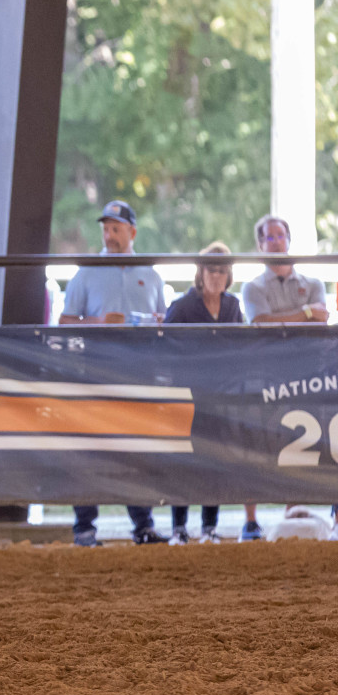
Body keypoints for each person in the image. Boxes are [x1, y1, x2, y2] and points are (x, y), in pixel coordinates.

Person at [58, 200, 169, 546]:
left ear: (132, 232)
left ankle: (143, 524)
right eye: (105, 229)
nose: (109, 235)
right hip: (95, 373)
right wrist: (100, 322)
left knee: (136, 448)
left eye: (116, 229)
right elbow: (65, 321)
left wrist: (155, 324)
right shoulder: (86, 272)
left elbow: (161, 319)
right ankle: (85, 527)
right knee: (88, 448)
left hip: (137, 373)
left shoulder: (150, 275)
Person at [239, 215, 330, 542]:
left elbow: (322, 321)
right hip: (266, 375)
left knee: (302, 440)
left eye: (281, 235)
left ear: (289, 240)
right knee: (257, 441)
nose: (276, 241)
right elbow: (261, 322)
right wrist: (305, 313)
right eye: (269, 237)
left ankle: (294, 511)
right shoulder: (252, 287)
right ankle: (251, 520)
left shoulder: (313, 283)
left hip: (306, 376)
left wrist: (294, 320)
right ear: (261, 245)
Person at [163, 241, 243, 544]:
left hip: (219, 396)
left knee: (215, 459)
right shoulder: (182, 307)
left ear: (228, 274)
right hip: (187, 394)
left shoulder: (233, 306)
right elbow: (166, 348)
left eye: (222, 270)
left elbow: (242, 348)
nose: (216, 275)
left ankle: (209, 525)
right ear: (201, 272)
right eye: (211, 269)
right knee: (184, 460)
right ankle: (179, 526)